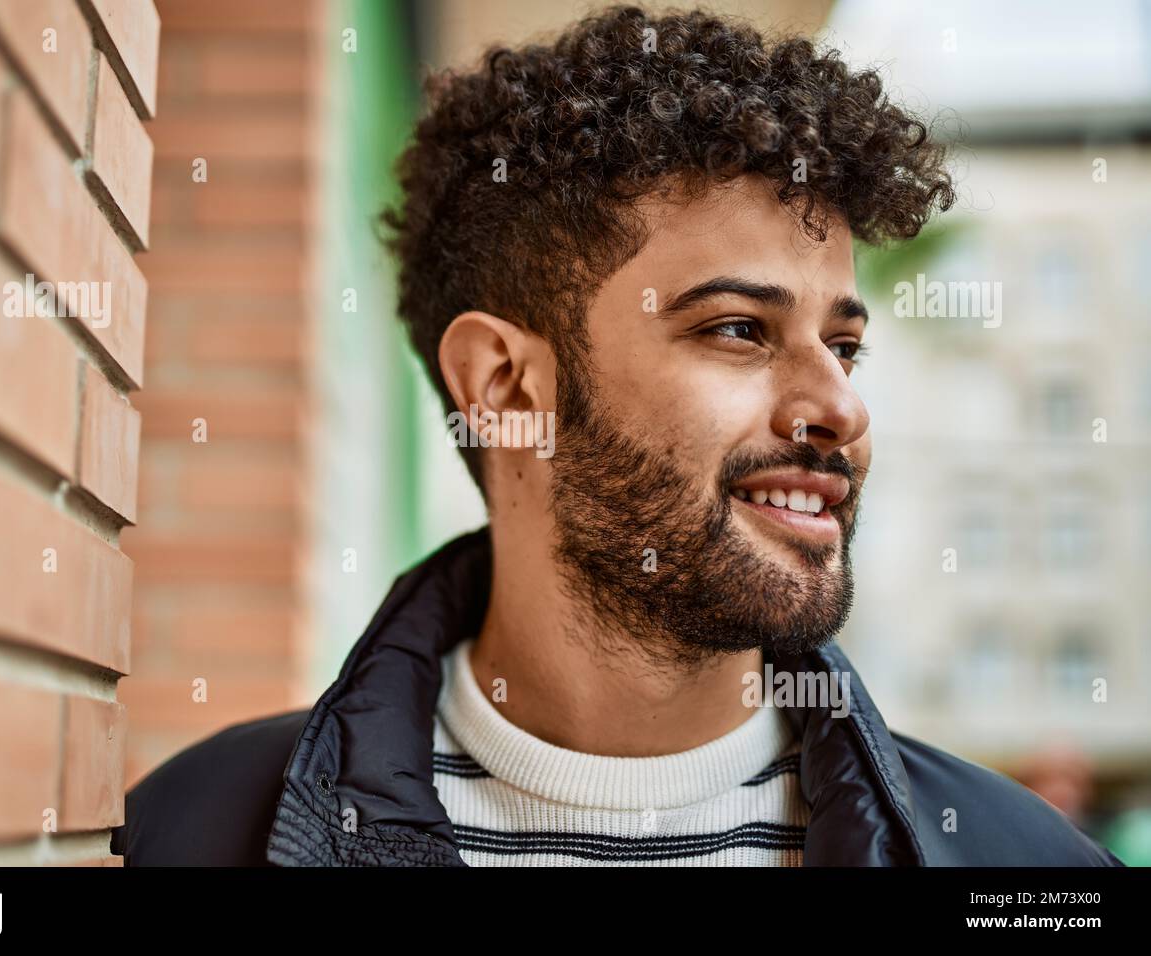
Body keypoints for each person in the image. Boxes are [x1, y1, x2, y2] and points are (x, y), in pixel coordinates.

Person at [115, 5, 1123, 867]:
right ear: (508, 384)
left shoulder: (1019, 865)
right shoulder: (196, 835)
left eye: (844, 346)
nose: (840, 409)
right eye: (738, 329)